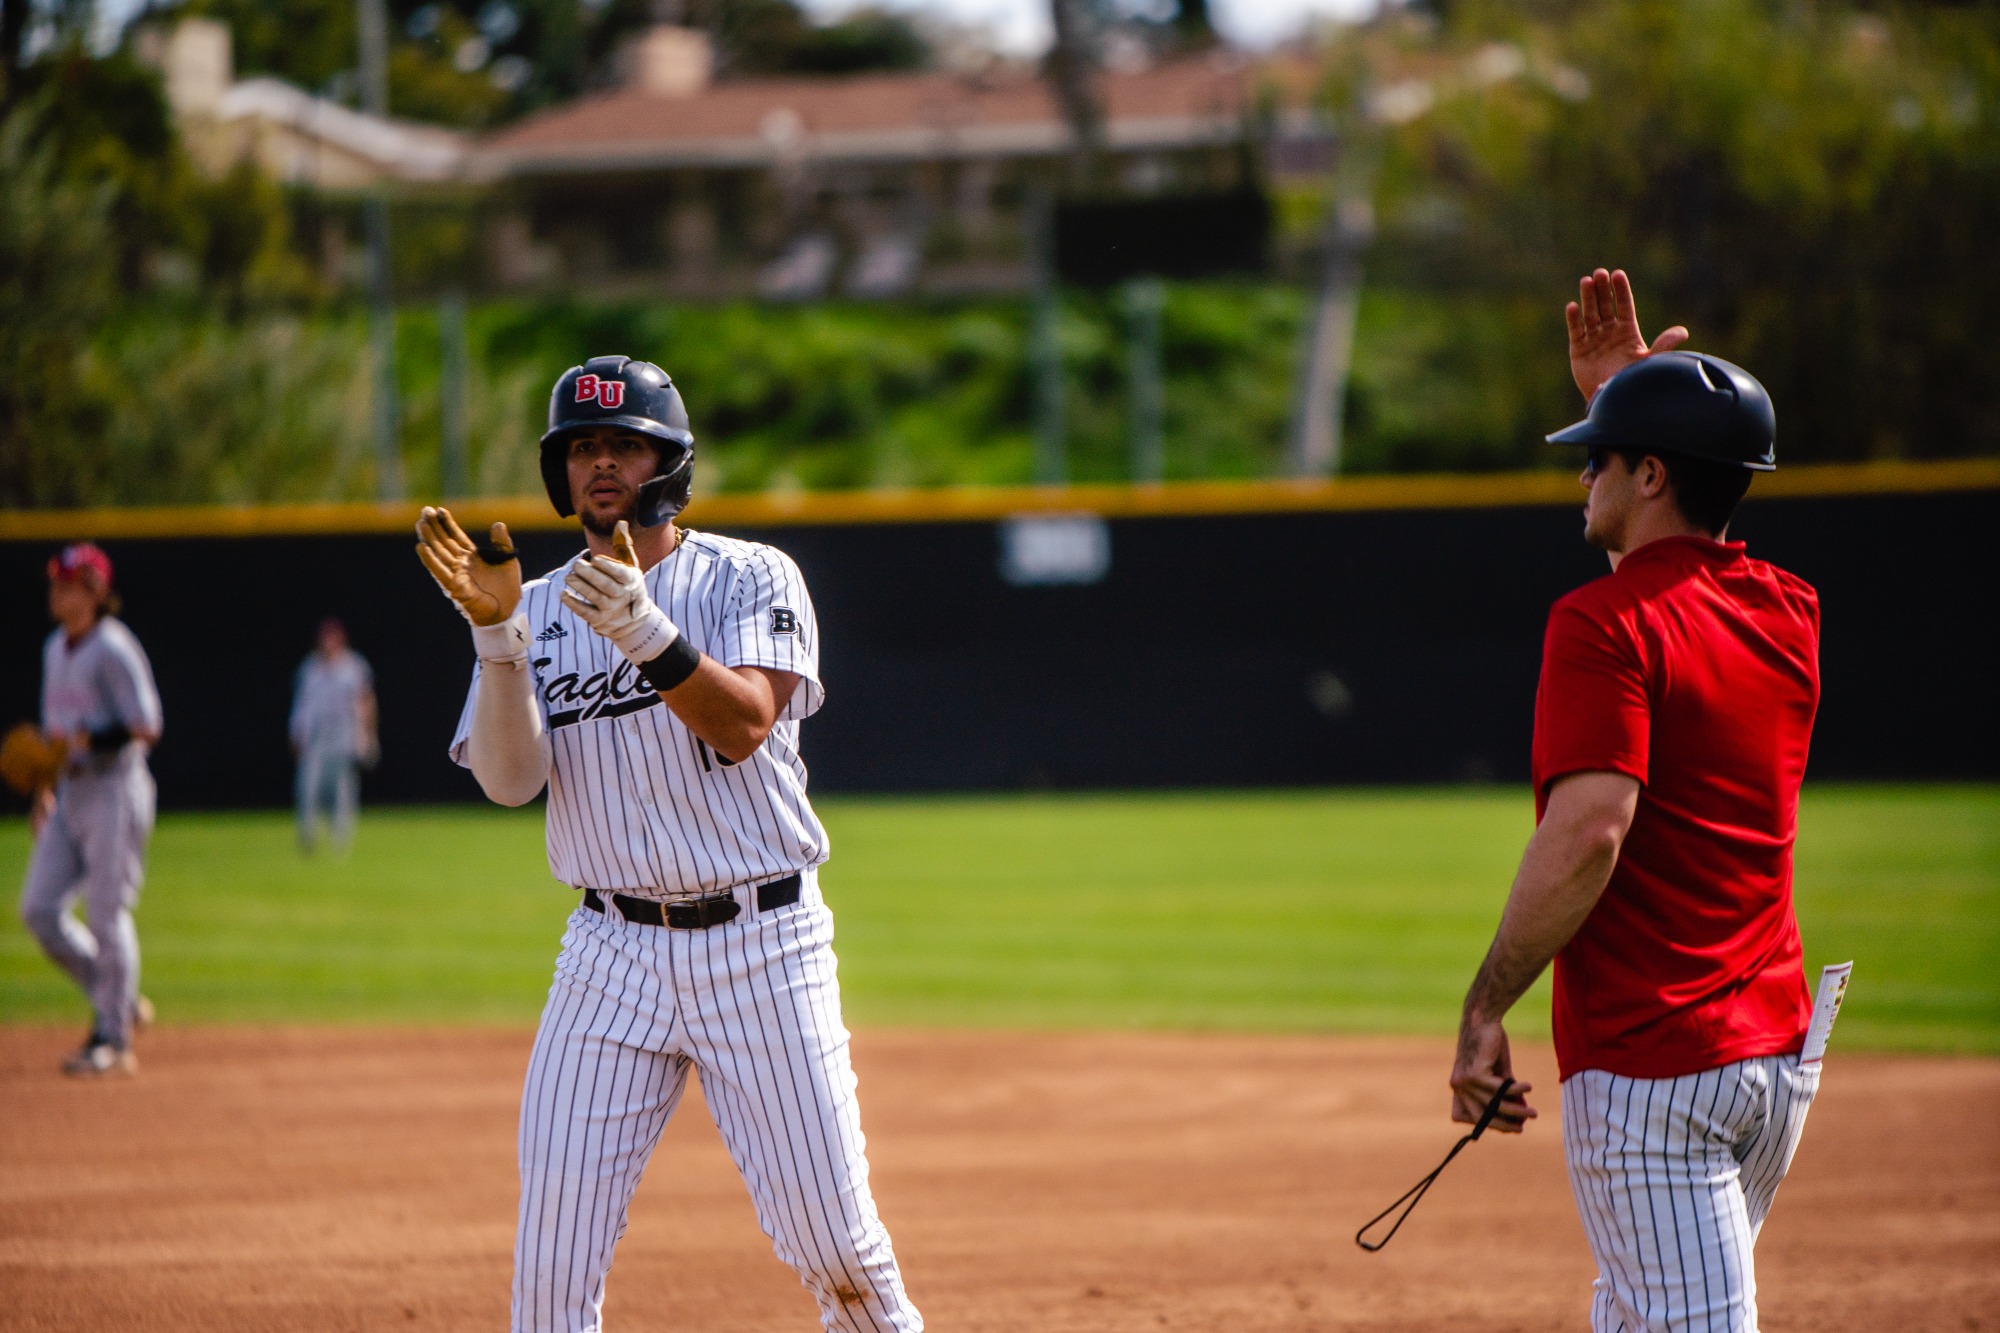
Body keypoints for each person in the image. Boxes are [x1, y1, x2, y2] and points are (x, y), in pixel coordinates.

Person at [415, 356, 922, 1332]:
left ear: (669, 462)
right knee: (552, 1258)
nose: (601, 464)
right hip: (609, 954)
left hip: (760, 947)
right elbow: (510, 783)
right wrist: (496, 639)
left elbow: (742, 727)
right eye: (582, 447)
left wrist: (647, 632)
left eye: (624, 444)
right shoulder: (529, 609)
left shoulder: (749, 576)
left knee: (834, 1245)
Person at [1449, 269, 1821, 1331]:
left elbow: (1589, 833)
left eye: (1598, 457)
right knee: (1643, 1310)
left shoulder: (1597, 624)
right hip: (1771, 1058)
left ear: (1649, 473)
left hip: (1654, 1064)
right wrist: (1634, 403)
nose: (1581, 477)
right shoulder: (1788, 613)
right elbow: (1685, 576)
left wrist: (1484, 1007)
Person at [18, 543, 164, 1078]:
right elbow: (56, 739)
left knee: (106, 913)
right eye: (55, 582)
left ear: (95, 593)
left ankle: (113, 1036)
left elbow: (147, 724)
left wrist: (91, 739)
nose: (57, 592)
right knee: (38, 910)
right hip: (71, 793)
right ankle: (117, 998)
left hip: (114, 791)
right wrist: (43, 791)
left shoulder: (114, 648)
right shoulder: (55, 648)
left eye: (68, 584)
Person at [289, 616, 377, 852]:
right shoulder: (310, 668)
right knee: (307, 788)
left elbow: (365, 702)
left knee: (342, 791)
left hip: (344, 737)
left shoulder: (354, 666)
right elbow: (302, 705)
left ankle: (340, 841)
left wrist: (367, 736)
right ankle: (307, 837)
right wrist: (296, 733)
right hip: (316, 738)